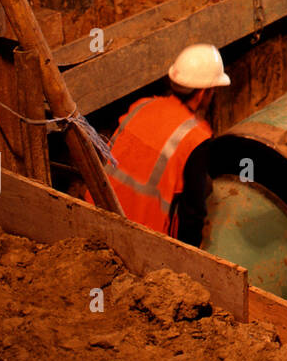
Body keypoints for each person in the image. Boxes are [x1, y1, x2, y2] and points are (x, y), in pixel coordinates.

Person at [92, 43, 226, 246]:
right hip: (142, 237)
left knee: (204, 183)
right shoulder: (194, 138)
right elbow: (193, 214)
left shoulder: (141, 106)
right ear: (202, 93)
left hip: (94, 213)